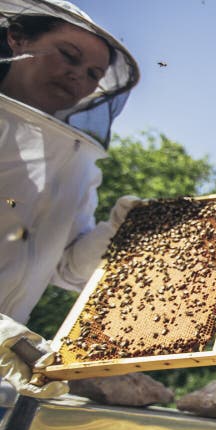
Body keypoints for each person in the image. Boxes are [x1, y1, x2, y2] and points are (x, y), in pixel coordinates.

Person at [0, 0, 140, 399]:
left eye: (94, 73)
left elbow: (67, 269)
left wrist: (117, 233)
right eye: (68, 55)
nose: (78, 75)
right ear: (17, 38)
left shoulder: (77, 161)